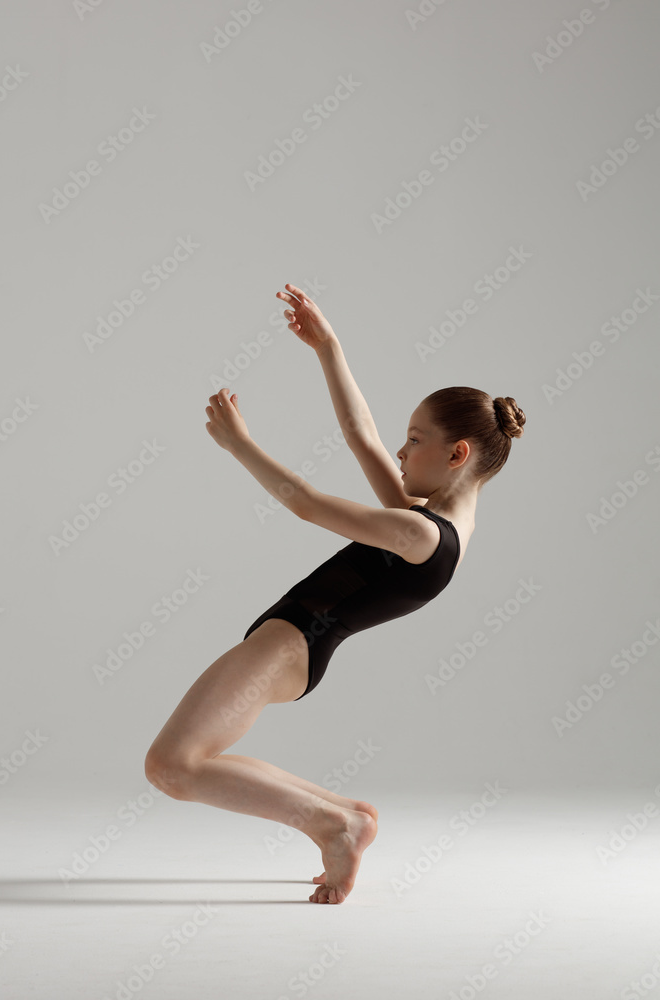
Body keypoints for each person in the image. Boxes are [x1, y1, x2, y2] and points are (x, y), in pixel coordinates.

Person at [144, 283, 525, 904]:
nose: (401, 451)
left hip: (292, 642)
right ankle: (346, 813)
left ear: (457, 453)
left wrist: (240, 445)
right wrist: (328, 346)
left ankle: (332, 825)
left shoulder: (417, 532)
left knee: (171, 766)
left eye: (417, 439)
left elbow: (306, 505)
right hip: (295, 643)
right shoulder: (428, 523)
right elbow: (361, 435)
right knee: (190, 759)